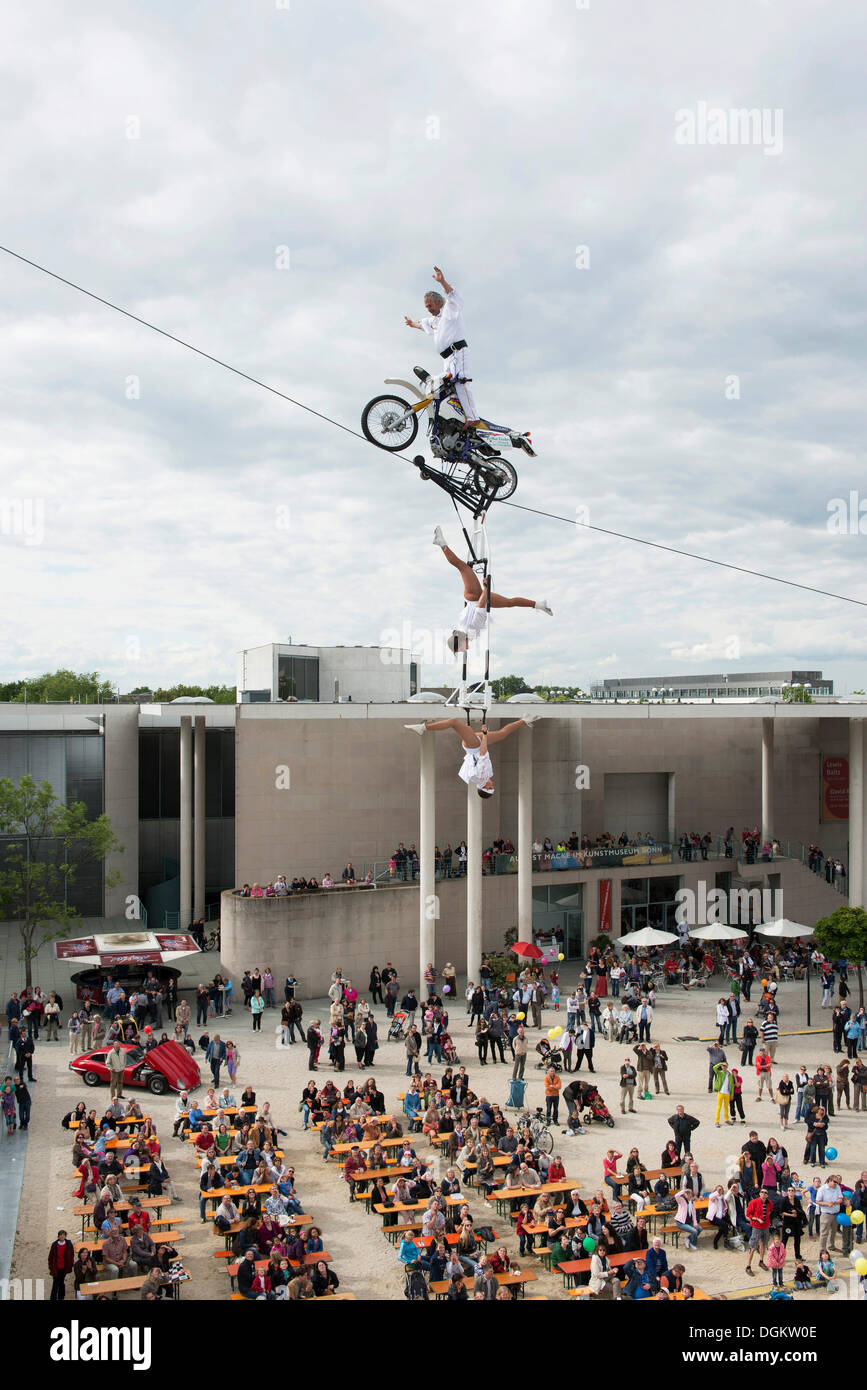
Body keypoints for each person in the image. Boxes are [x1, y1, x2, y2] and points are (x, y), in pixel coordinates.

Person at [431, 530, 552, 658]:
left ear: (460, 643)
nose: (462, 651)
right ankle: (539, 605)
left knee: (462, 567)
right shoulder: (465, 633)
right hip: (476, 598)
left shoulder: (471, 631)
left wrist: (486, 588)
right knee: (510, 602)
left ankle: (441, 543)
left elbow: (480, 606)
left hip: (476, 597)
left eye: (459, 650)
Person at [405, 265, 480, 426]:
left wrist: (442, 281)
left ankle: (473, 418)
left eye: (430, 306)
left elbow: (453, 296)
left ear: (438, 302)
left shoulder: (449, 309)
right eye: (427, 307)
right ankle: (458, 418)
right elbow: (422, 324)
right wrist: (412, 324)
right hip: (447, 359)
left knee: (461, 382)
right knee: (444, 387)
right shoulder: (434, 320)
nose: (429, 309)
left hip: (458, 352)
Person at [404, 717, 537, 798]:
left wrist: (485, 734)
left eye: (490, 788)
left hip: (475, 746)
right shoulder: (479, 778)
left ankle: (423, 727)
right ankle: (525, 720)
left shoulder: (482, 775)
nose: (492, 785)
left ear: (484, 787)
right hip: (474, 746)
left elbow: (483, 753)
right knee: (502, 734)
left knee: (453, 722)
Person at [744, 1188, 773, 1276]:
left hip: (765, 1226)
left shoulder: (769, 1203)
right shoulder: (753, 1202)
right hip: (756, 1227)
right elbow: (748, 1214)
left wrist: (766, 1220)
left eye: (765, 1193)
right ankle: (748, 1266)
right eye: (762, 1192)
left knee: (763, 1244)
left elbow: (769, 1211)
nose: (764, 1194)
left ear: (767, 1195)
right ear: (760, 1194)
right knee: (753, 1247)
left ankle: (761, 1261)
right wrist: (757, 1219)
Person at [48, 1229, 76, 1301]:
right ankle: (54, 1298)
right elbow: (50, 1257)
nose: (62, 1237)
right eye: (60, 1235)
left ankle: (61, 1297)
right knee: (56, 1283)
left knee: (61, 1282)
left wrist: (71, 1264)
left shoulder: (69, 1244)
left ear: (65, 1236)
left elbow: (71, 1255)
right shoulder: (54, 1245)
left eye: (63, 1235)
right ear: (58, 1236)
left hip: (64, 1267)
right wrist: (51, 1266)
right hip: (56, 1267)